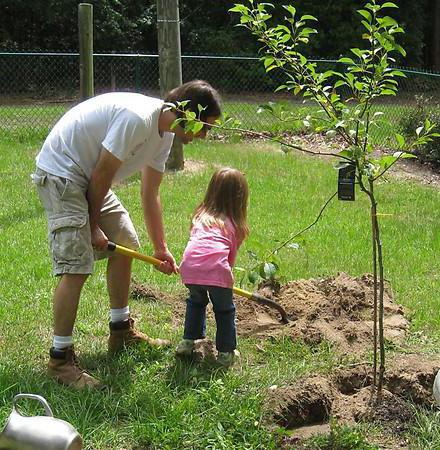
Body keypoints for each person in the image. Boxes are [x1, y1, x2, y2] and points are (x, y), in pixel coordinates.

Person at [32, 80, 222, 389]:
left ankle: (121, 332)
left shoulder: (164, 136)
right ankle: (59, 359)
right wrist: (92, 227)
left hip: (91, 179)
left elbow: (151, 195)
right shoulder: (138, 118)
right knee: (76, 265)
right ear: (187, 112)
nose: (204, 135)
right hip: (63, 174)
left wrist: (161, 248)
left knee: (125, 244)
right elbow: (102, 173)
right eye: (204, 127)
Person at [176, 167, 249, 368]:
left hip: (190, 268)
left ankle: (188, 341)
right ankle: (225, 352)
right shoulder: (234, 224)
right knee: (224, 310)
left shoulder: (200, 217)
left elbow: (195, 244)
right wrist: (225, 278)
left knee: (196, 302)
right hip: (217, 270)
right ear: (239, 198)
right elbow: (230, 257)